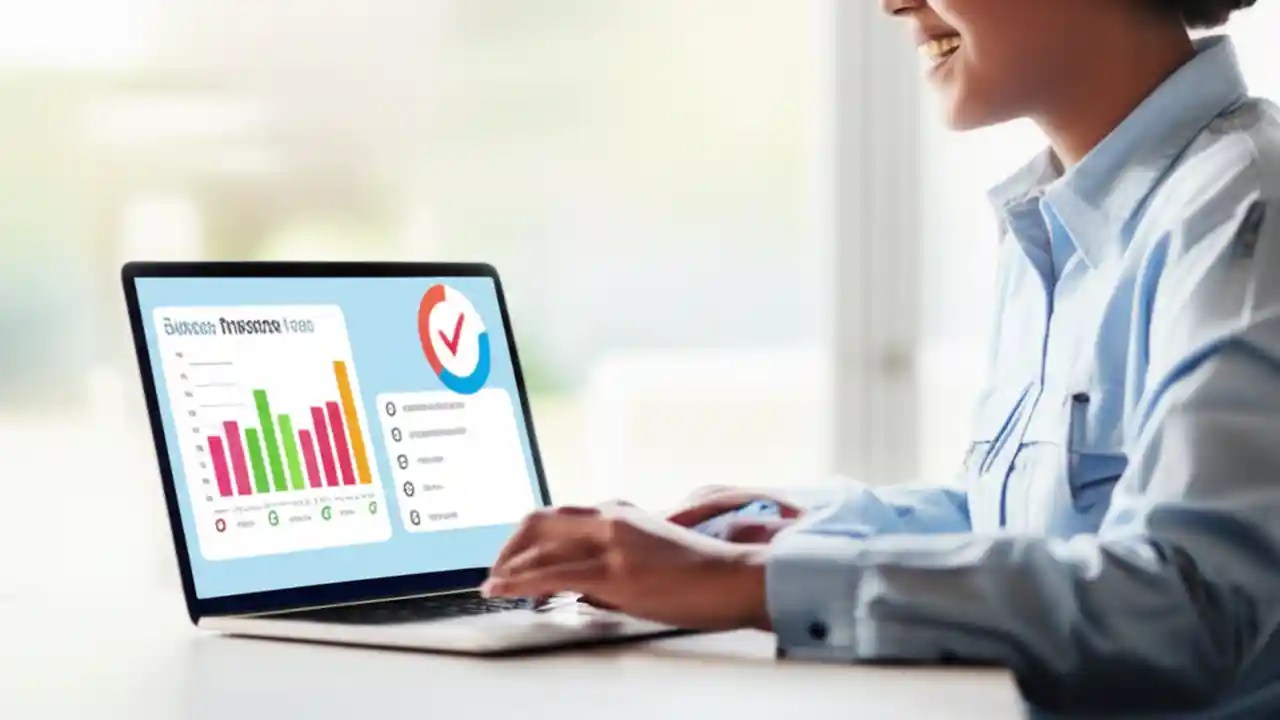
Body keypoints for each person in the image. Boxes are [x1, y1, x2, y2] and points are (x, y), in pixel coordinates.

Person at [484, 0, 1280, 713]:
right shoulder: (1061, 222)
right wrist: (788, 526)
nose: (893, 3)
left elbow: (1187, 609)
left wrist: (739, 584)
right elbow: (1036, 533)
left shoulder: (1242, 209)